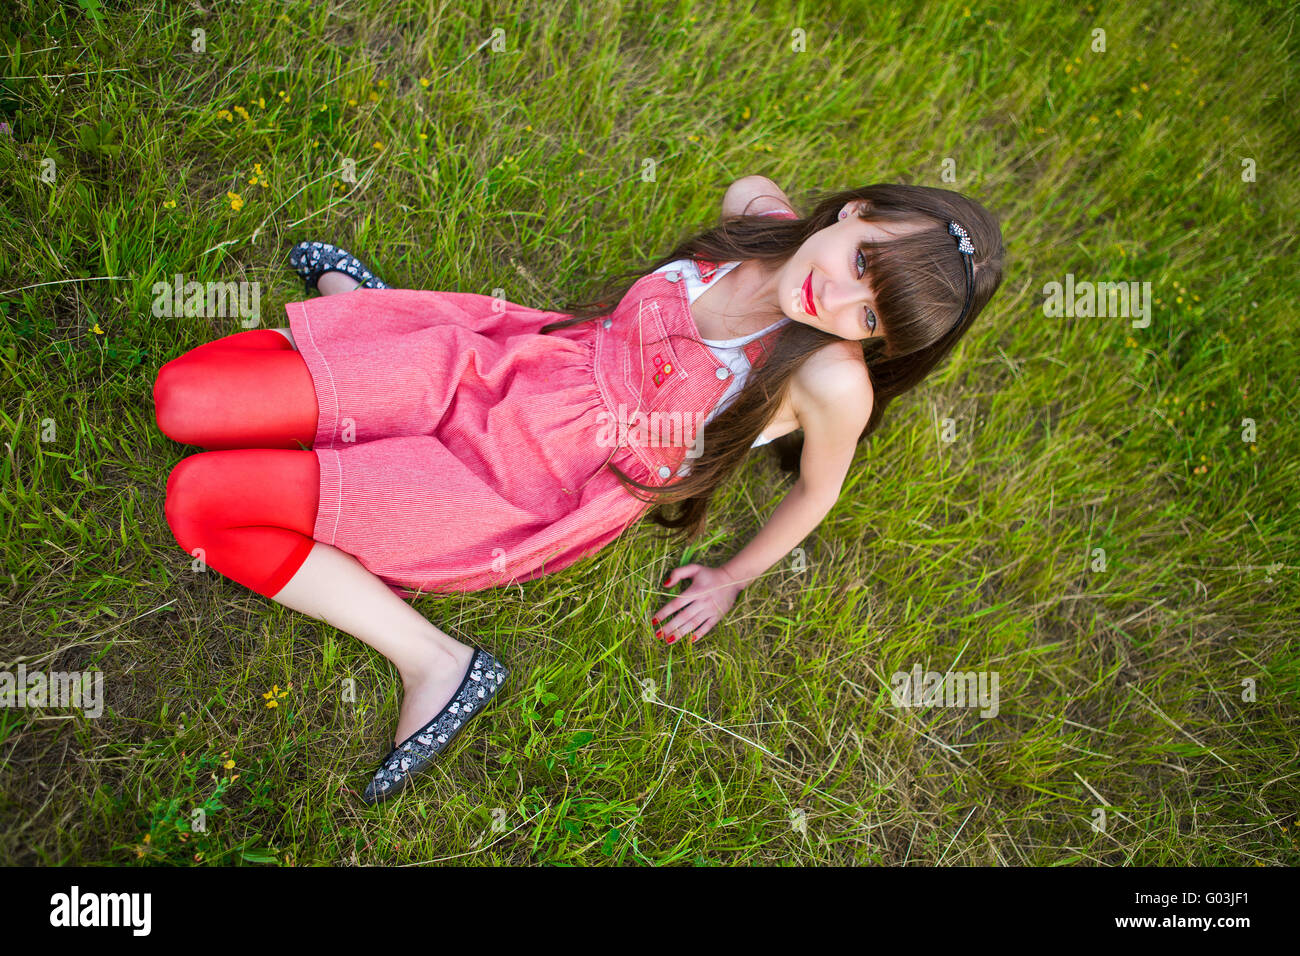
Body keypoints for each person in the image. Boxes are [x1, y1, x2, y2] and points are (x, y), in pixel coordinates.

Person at [152, 176, 1007, 803]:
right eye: (862, 261)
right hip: (510, 364)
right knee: (182, 399)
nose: (840, 297)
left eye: (871, 316)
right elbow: (757, 190)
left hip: (527, 483)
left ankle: (436, 661)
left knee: (199, 499)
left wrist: (731, 577)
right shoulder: (760, 224)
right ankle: (385, 320)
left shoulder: (831, 381)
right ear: (856, 210)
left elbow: (817, 492)